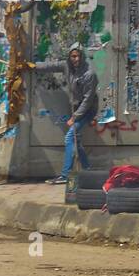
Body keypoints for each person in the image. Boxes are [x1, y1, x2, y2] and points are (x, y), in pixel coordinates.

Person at [31, 44, 98, 185]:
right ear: (69, 56)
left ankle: (65, 175)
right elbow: (52, 66)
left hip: (88, 110)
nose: (76, 59)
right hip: (75, 108)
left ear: (83, 56)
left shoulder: (89, 74)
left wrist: (75, 117)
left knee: (69, 138)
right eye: (73, 56)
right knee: (76, 141)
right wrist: (33, 66)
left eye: (79, 56)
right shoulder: (67, 66)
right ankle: (87, 170)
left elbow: (88, 99)